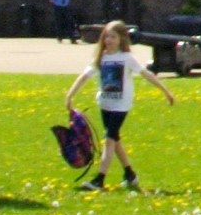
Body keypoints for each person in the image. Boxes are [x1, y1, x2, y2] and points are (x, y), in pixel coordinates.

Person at [66, 20, 174, 191]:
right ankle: (130, 174)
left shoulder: (127, 58)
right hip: (105, 104)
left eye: (113, 37)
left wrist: (166, 91)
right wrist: (70, 95)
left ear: (121, 39)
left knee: (109, 140)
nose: (109, 40)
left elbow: (146, 74)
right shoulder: (101, 58)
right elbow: (84, 77)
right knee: (114, 140)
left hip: (121, 106)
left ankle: (99, 180)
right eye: (106, 37)